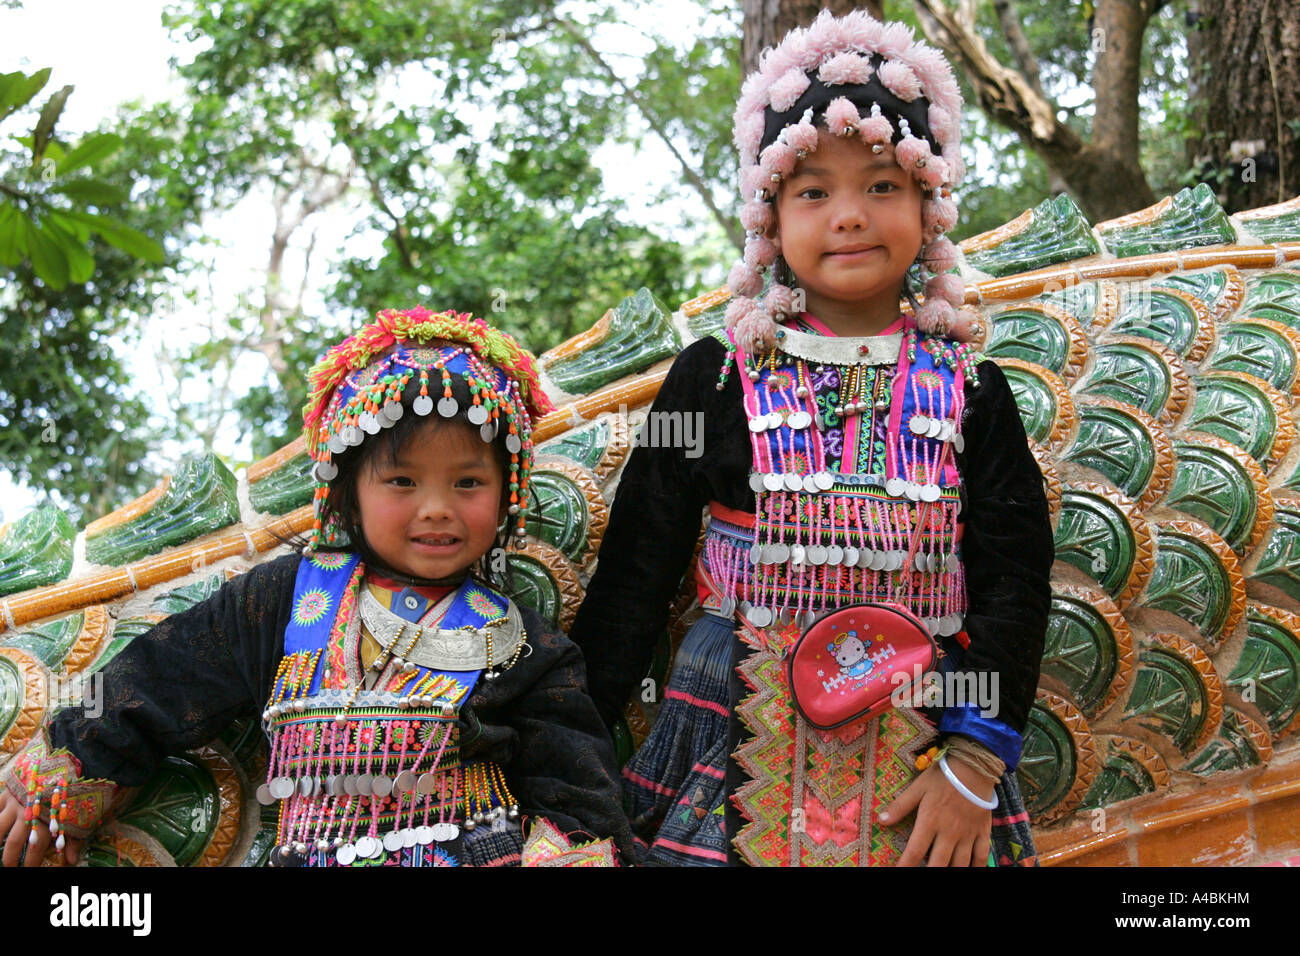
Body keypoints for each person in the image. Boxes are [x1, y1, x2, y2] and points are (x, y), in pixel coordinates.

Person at [569, 10, 1053, 867]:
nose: (849, 216)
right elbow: (634, 582)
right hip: (726, 737)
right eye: (813, 191)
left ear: (928, 204)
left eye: (881, 184)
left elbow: (1012, 582)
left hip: (925, 756)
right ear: (770, 218)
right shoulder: (712, 381)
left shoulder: (975, 391)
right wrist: (564, 765)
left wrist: (975, 758)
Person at [1, 307, 636, 868]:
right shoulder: (275, 602)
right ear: (348, 493)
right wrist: (64, 778)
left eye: (468, 483)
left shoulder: (527, 645)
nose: (438, 508)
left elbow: (576, 785)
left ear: (508, 493)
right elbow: (159, 681)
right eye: (402, 482)